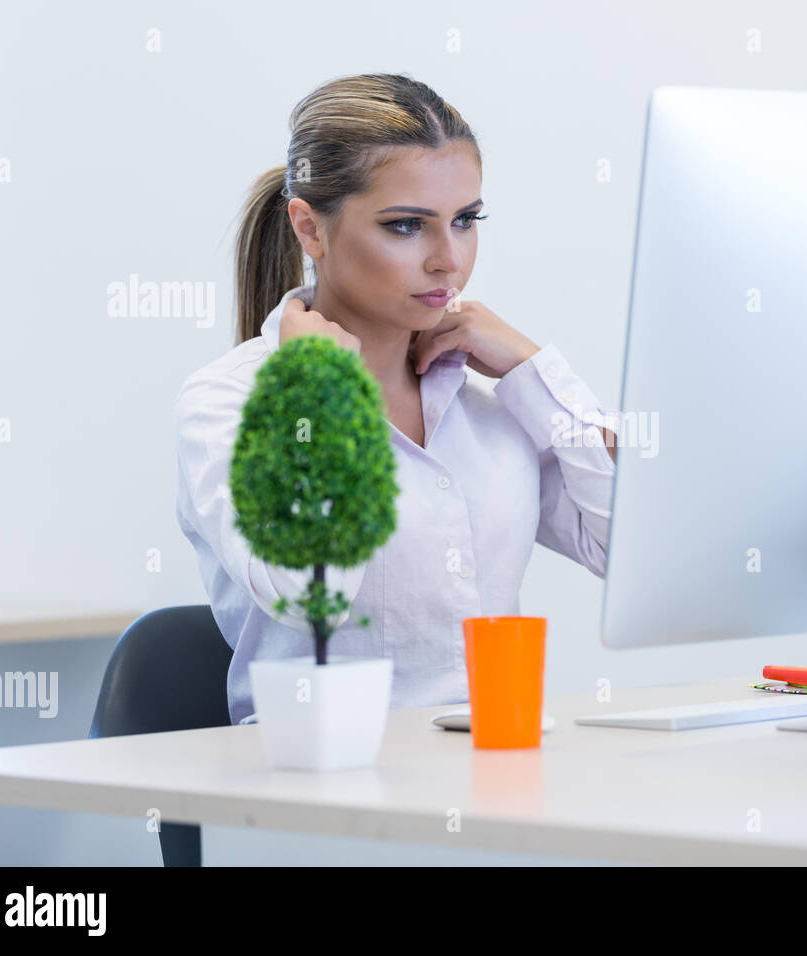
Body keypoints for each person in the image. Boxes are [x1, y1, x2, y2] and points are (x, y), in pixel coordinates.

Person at [173, 73, 617, 725]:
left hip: (496, 762)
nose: (448, 260)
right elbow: (304, 590)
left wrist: (533, 369)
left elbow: (620, 550)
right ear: (310, 229)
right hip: (323, 784)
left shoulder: (487, 405)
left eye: (466, 221)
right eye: (407, 226)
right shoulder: (227, 402)